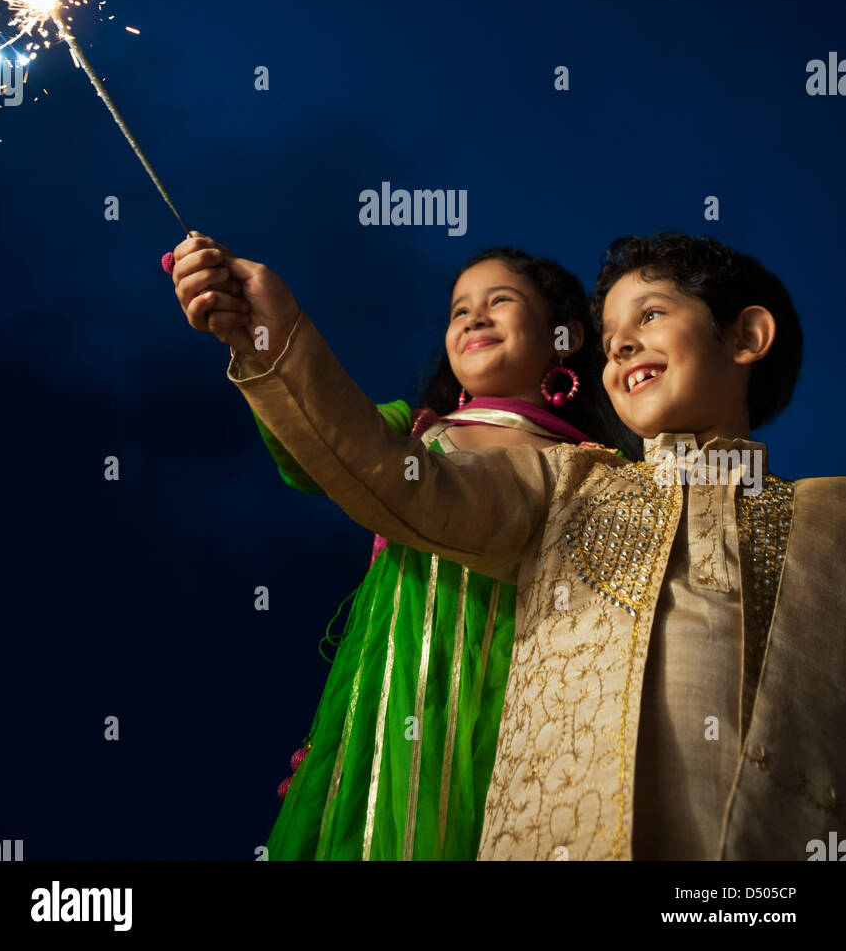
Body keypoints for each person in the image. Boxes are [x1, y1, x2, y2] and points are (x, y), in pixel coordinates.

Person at [171, 228, 846, 860]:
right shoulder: (568, 488)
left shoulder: (830, 517)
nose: (619, 346)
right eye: (609, 334)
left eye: (648, 315)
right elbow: (403, 485)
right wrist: (273, 334)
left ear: (747, 336)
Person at [170, 237, 638, 860]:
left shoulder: (600, 473)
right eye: (458, 310)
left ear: (565, 338)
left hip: (520, 694)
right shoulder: (411, 432)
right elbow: (320, 452)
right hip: (398, 691)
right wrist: (260, 336)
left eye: (499, 301)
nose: (473, 317)